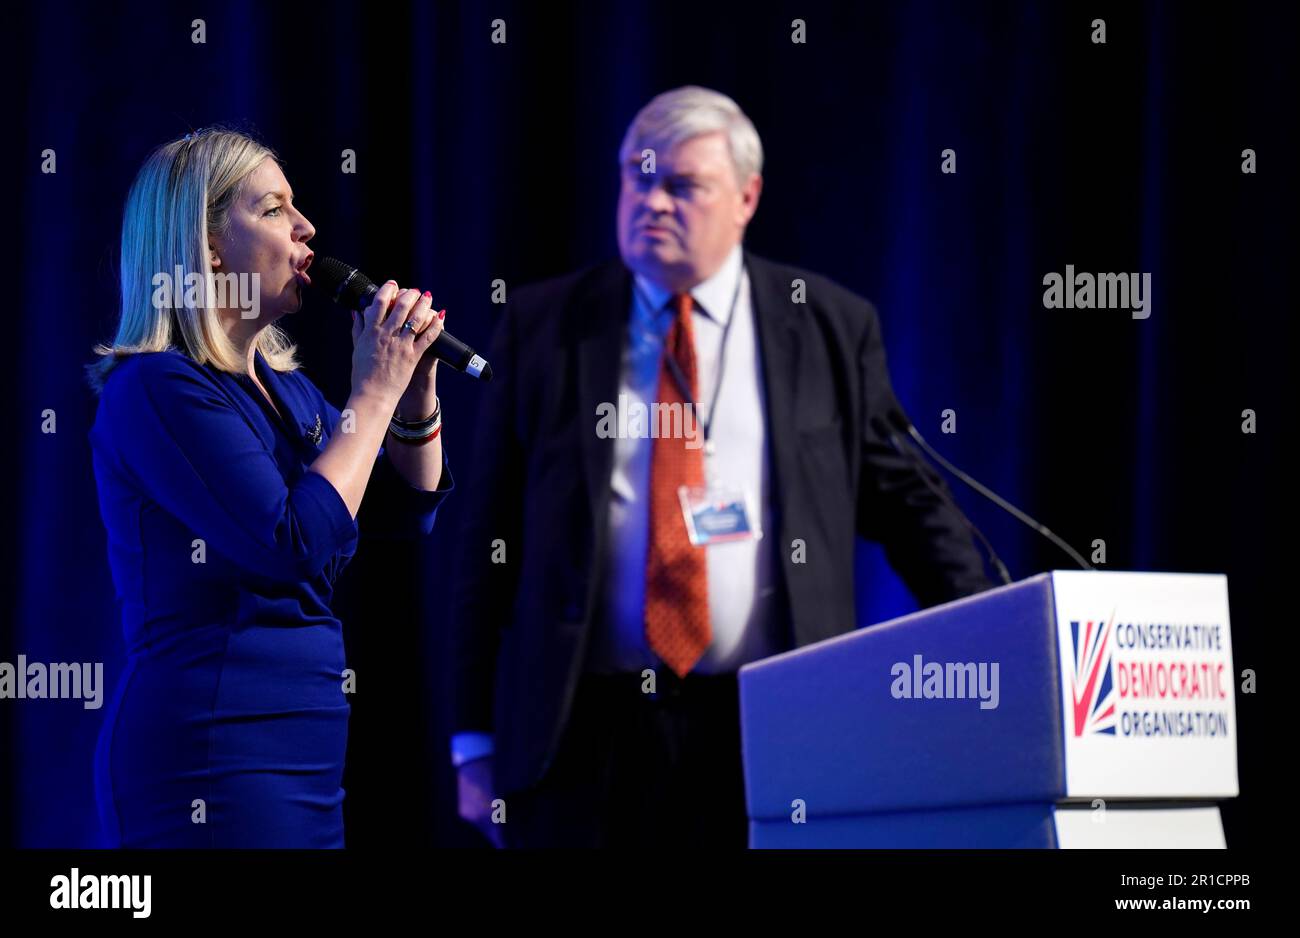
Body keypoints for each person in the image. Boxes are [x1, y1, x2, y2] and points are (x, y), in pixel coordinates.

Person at [450, 86, 993, 848]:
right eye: (637, 178)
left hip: (775, 731)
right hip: (584, 734)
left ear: (747, 196)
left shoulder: (828, 325)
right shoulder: (546, 325)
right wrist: (471, 739)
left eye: (682, 185)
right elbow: (486, 542)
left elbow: (909, 508)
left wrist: (993, 652)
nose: (653, 201)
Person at [87, 128, 453, 847]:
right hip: (213, 751)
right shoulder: (160, 387)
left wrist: (415, 393)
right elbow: (293, 542)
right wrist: (376, 390)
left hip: (305, 750)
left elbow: (404, 511)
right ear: (209, 245)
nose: (307, 227)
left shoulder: (287, 393)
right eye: (275, 208)